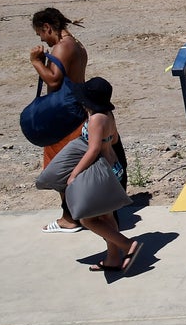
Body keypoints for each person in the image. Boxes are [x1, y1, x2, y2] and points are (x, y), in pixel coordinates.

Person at [50, 77, 142, 273]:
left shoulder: (95, 120)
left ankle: (127, 245)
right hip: (114, 168)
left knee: (87, 218)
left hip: (103, 172)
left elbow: (93, 150)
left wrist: (74, 174)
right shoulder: (108, 115)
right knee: (107, 217)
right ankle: (113, 258)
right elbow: (113, 139)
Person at [31, 7, 89, 233]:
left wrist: (36, 62)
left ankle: (69, 218)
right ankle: (82, 213)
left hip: (64, 114)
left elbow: (54, 80)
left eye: (40, 34)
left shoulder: (62, 46)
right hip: (77, 108)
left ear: (47, 27)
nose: (42, 40)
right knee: (75, 164)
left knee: (60, 167)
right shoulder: (76, 44)